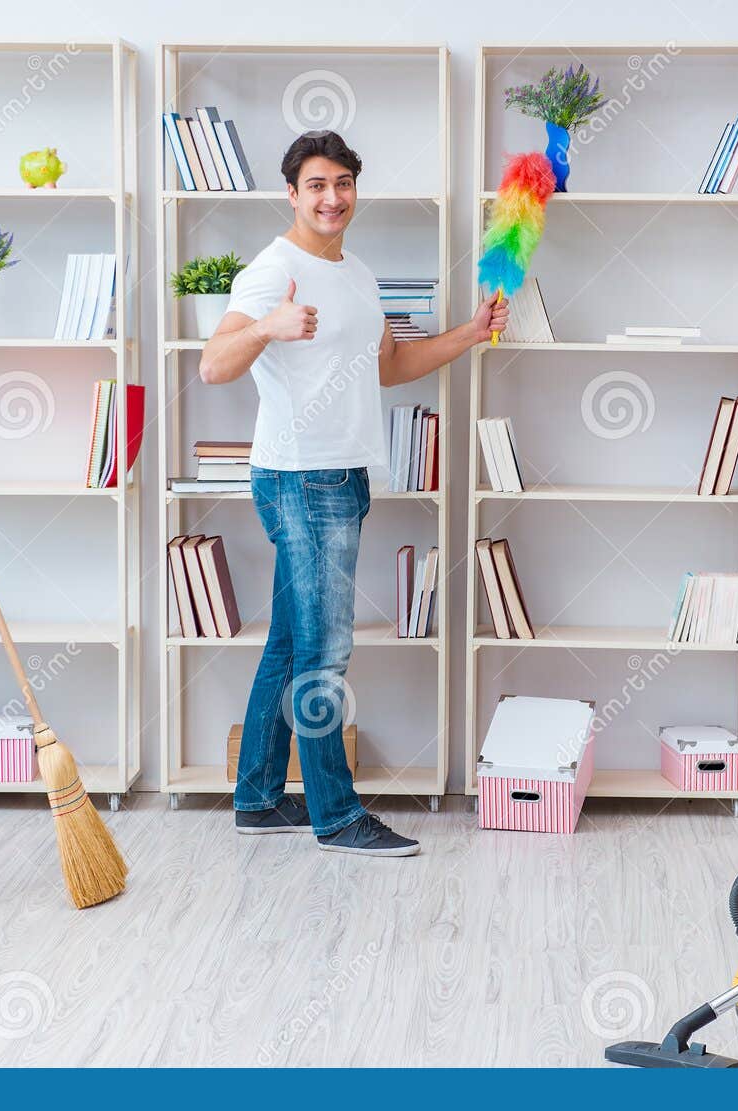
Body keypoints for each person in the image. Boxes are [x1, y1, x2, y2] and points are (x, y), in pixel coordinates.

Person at [200, 130, 507, 857]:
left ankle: (256, 800)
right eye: (316, 185)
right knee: (325, 653)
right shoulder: (272, 271)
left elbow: (392, 365)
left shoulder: (359, 273)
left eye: (342, 183)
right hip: (301, 475)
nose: (332, 197)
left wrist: (468, 333)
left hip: (344, 475)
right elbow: (215, 364)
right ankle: (336, 817)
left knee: (289, 644)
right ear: (292, 193)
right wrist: (270, 325)